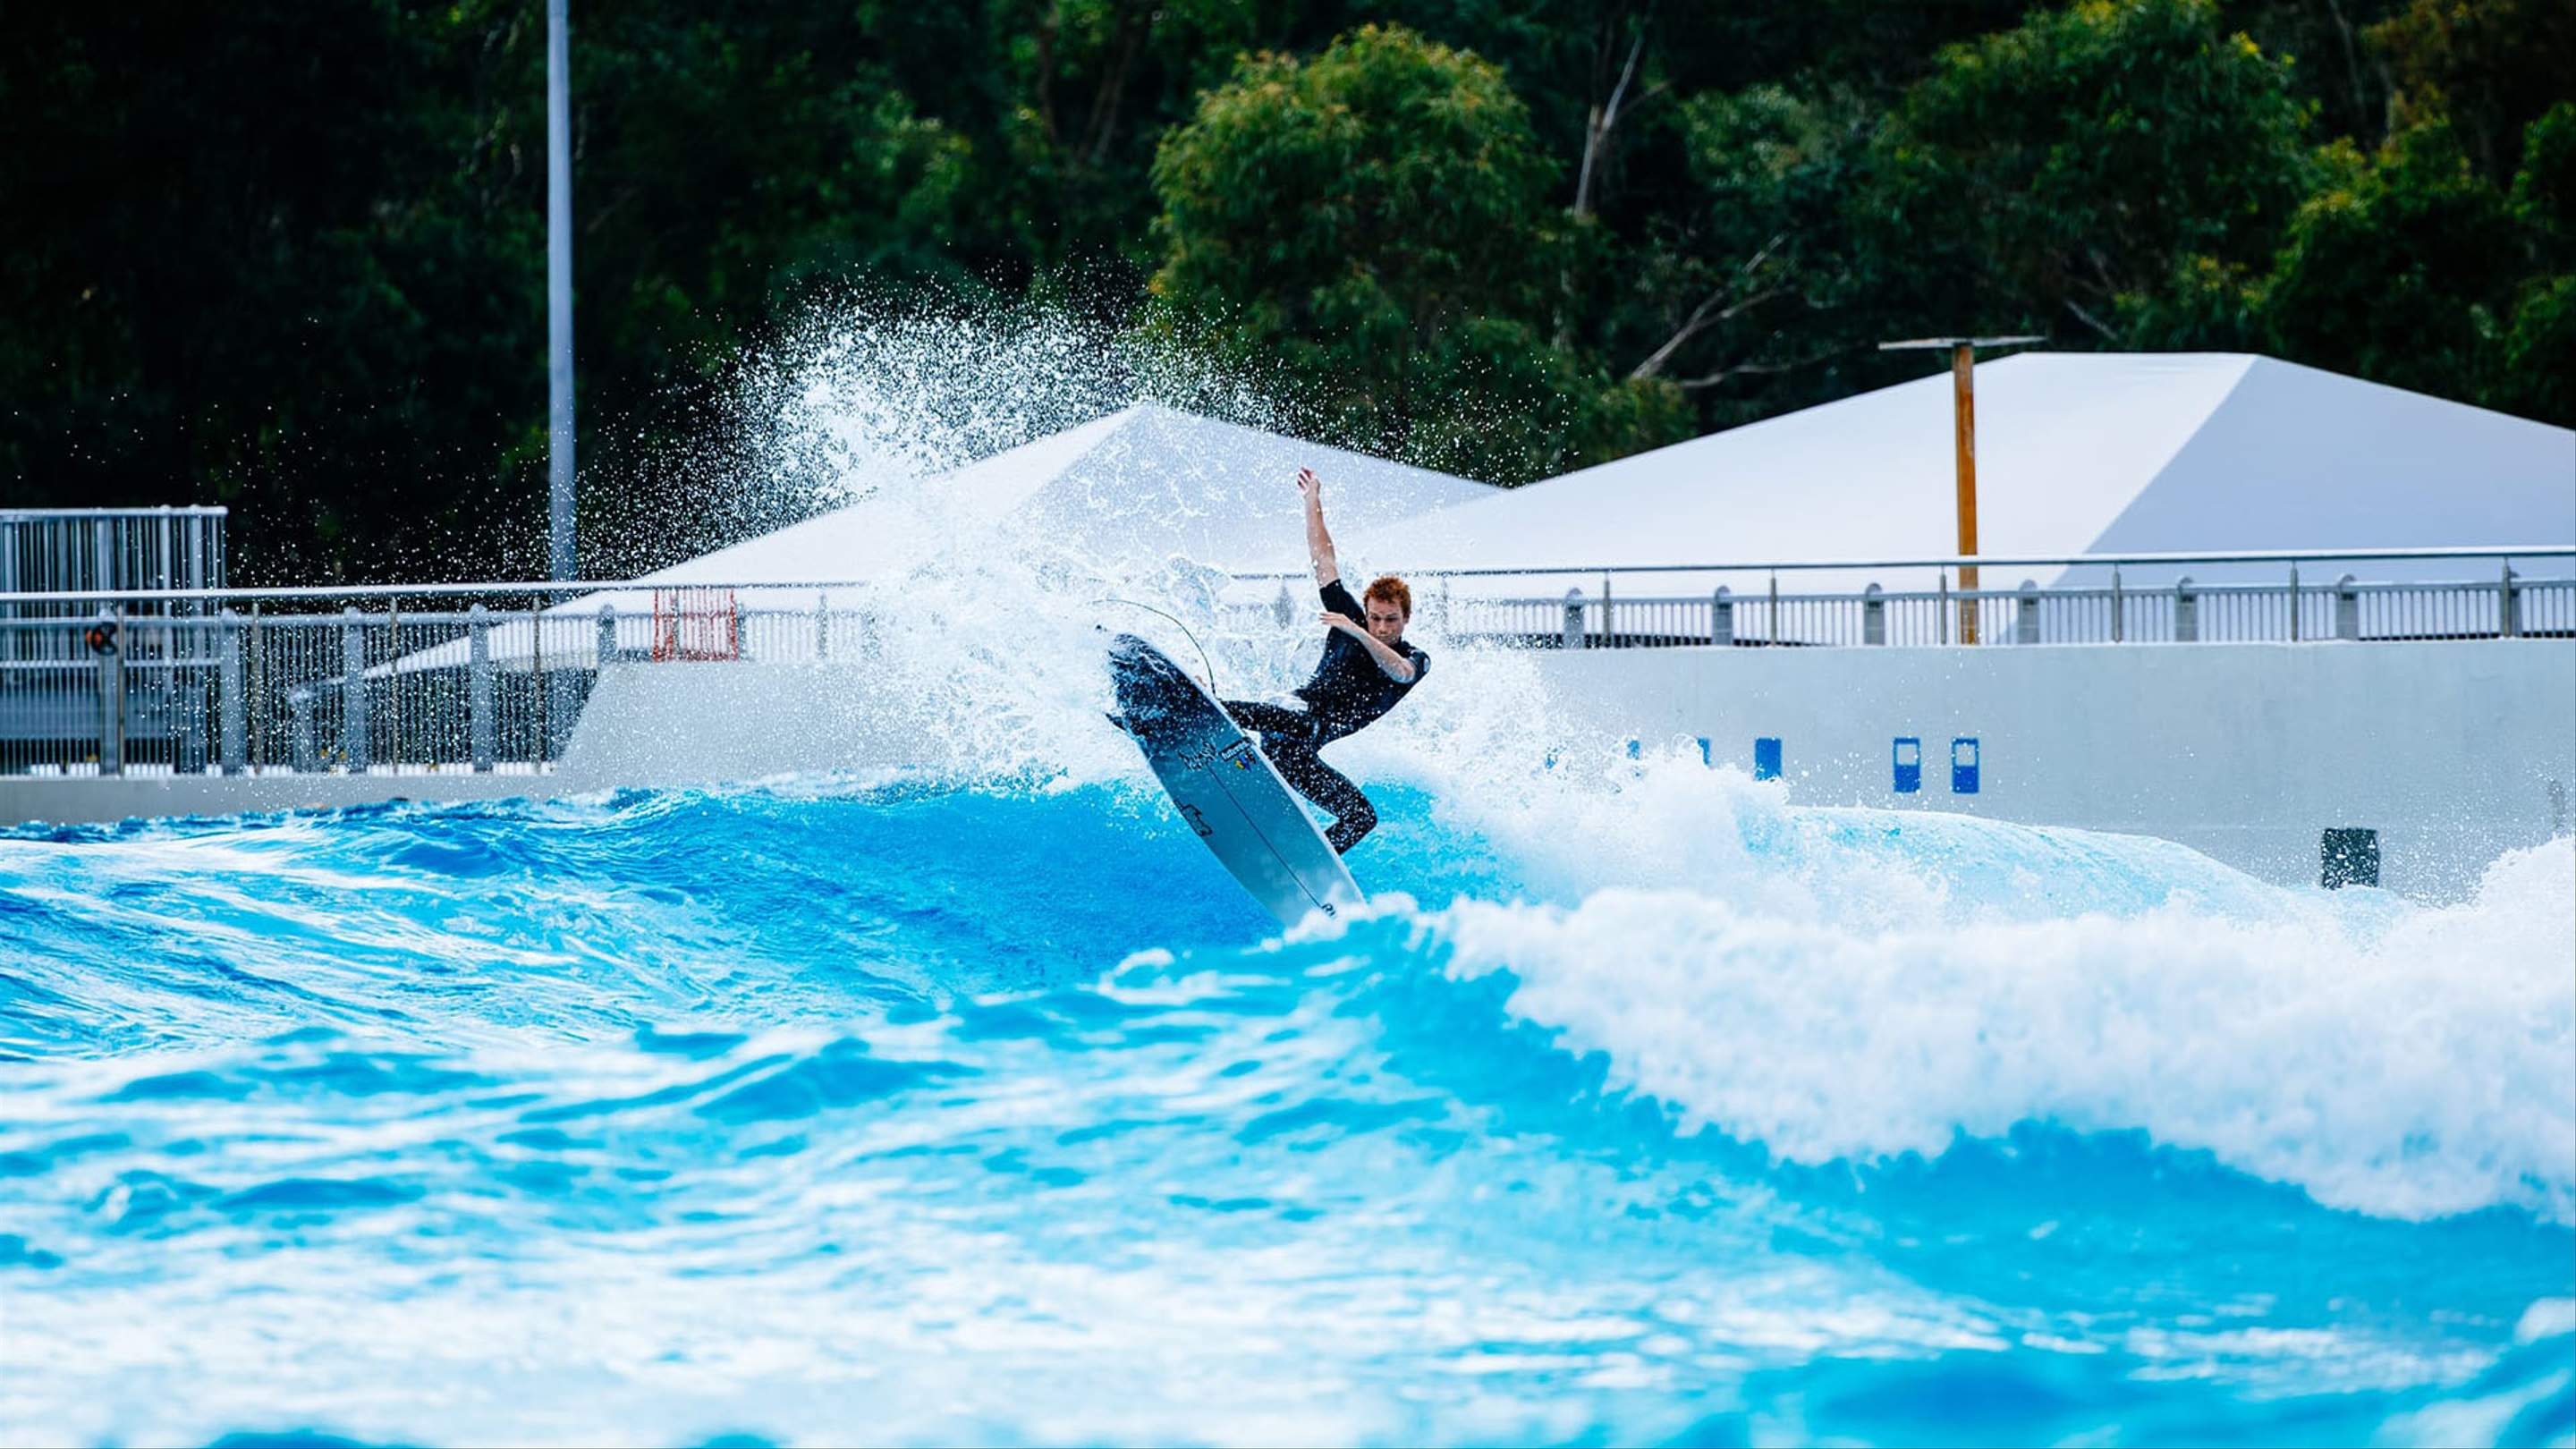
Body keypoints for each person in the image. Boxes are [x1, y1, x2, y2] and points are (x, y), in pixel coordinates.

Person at [1222, 467, 1429, 853]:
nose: (1382, 627)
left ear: (1406, 618)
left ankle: (1308, 862)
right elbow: (1323, 559)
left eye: (1391, 620)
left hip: (1300, 751)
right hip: (1294, 713)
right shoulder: (1350, 614)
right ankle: (1199, 709)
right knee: (1294, 718)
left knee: (1361, 817)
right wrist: (1311, 500)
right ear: (1366, 610)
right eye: (1375, 617)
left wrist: (1357, 632)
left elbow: (1400, 673)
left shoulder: (1413, 657)